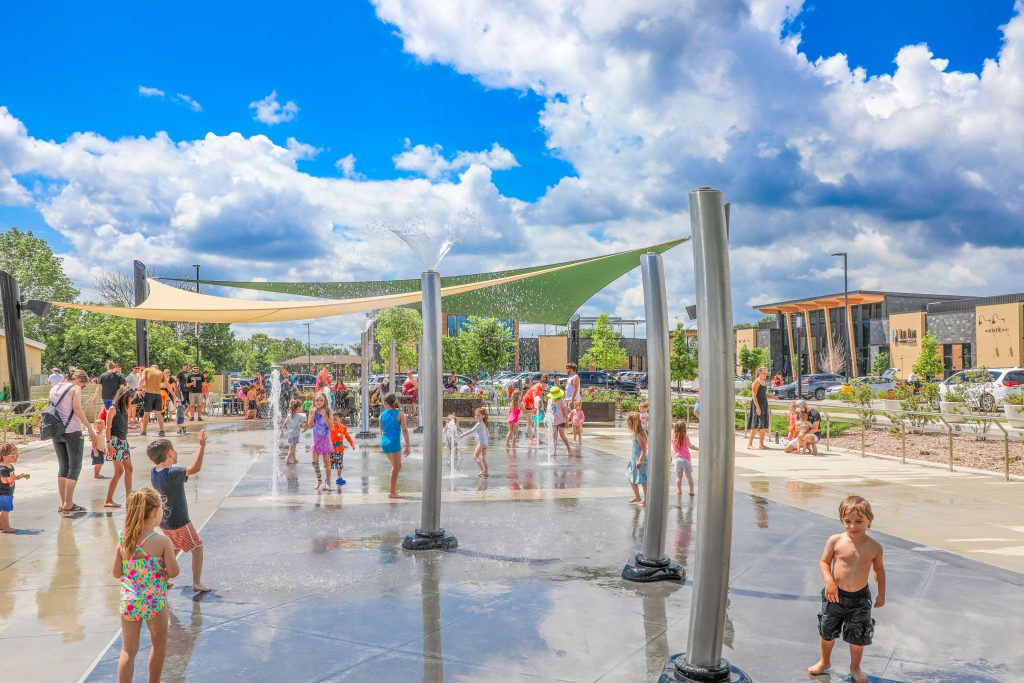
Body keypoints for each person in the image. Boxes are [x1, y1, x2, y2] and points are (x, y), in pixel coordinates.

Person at [808, 496, 886, 683]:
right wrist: (829, 581)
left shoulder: (874, 546)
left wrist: (882, 593)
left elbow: (878, 570)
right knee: (827, 632)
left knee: (858, 637)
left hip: (860, 599)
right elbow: (824, 563)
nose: (852, 526)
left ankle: (855, 667)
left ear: (869, 521)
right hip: (834, 595)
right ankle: (824, 661)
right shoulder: (836, 540)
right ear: (841, 520)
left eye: (858, 521)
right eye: (847, 521)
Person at [113, 487, 179, 683]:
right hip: (154, 602)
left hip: (130, 602)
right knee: (159, 644)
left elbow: (116, 573)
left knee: (128, 649)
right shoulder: (162, 541)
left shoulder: (124, 540)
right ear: (156, 512)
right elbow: (174, 572)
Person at [148, 431, 211, 592]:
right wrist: (202, 447)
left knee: (175, 546)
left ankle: (162, 578)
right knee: (197, 547)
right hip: (180, 520)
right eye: (174, 450)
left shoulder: (154, 472)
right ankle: (197, 583)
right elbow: (195, 468)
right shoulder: (173, 473)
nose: (176, 453)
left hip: (165, 521)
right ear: (170, 453)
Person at [50, 368, 100, 513]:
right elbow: (77, 409)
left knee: (63, 467)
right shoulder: (75, 388)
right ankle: (68, 503)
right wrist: (90, 428)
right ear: (78, 380)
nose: (83, 387)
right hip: (72, 430)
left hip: (56, 431)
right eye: (84, 385)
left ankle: (63, 502)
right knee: (75, 467)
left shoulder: (54, 388)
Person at [103, 386, 135, 508]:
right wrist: (108, 444)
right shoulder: (113, 408)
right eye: (130, 398)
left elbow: (121, 423)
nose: (131, 401)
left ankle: (129, 497)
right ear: (125, 397)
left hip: (123, 441)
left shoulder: (124, 409)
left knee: (129, 469)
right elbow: (108, 427)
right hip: (115, 441)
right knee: (119, 471)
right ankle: (108, 500)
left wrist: (131, 427)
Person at [380, 393, 411, 497]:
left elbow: (381, 431)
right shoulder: (400, 414)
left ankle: (393, 489)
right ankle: (391, 492)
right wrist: (408, 445)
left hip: (384, 442)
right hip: (394, 442)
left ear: (385, 403)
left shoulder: (382, 415)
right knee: (396, 467)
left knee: (397, 466)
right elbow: (405, 430)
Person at [306, 391, 332, 491]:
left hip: (325, 438)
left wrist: (324, 415)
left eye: (321, 400)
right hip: (316, 438)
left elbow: (330, 426)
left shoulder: (328, 410)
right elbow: (310, 425)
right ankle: (319, 479)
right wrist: (312, 415)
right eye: (317, 400)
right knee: (314, 460)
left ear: (325, 400)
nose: (319, 402)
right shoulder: (312, 410)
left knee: (326, 462)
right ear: (314, 401)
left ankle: (328, 481)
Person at [0, 443, 29, 533]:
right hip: (4, 493)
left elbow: (11, 478)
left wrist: (18, 477)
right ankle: (6, 527)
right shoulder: (3, 468)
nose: (16, 456)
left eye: (17, 454)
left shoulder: (10, 466)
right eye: (13, 455)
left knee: (4, 509)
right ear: (4, 457)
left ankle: (1, 525)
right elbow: (4, 480)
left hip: (8, 493)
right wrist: (13, 478)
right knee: (5, 510)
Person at [459, 406, 490, 477]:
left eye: (478, 415)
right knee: (483, 458)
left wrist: (463, 435)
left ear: (483, 416)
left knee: (475, 457)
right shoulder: (483, 423)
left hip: (482, 443)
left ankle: (482, 470)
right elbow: (487, 432)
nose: (476, 416)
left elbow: (472, 430)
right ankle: (486, 472)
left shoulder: (479, 424)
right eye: (476, 415)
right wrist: (486, 439)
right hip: (485, 443)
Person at [625, 411, 648, 505]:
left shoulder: (638, 434)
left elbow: (644, 448)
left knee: (644, 480)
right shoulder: (635, 433)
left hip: (640, 461)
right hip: (634, 460)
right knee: (630, 476)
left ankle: (647, 500)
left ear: (631, 423)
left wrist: (640, 460)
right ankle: (637, 496)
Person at [746, 365, 770, 450]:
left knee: (762, 425)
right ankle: (749, 444)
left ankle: (761, 444)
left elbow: (763, 393)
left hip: (764, 404)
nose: (765, 374)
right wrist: (757, 407)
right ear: (759, 372)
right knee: (755, 424)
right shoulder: (756, 382)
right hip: (758, 404)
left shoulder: (763, 381)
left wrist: (772, 397)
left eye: (766, 373)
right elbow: (754, 396)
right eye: (764, 373)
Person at [330, 411, 355, 487]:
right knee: (330, 466)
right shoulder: (330, 426)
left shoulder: (343, 428)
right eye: (333, 419)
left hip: (340, 450)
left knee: (340, 466)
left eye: (335, 419)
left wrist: (352, 443)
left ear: (341, 419)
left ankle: (339, 478)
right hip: (331, 450)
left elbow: (347, 436)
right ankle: (328, 478)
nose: (334, 420)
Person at [673, 419, 697, 496]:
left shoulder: (673, 437)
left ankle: (679, 490)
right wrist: (699, 449)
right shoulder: (685, 437)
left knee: (678, 477)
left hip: (678, 459)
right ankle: (691, 491)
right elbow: (690, 446)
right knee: (689, 476)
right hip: (686, 459)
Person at [141, 364, 165, 436]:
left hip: (149, 393)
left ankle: (144, 431)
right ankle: (162, 431)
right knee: (158, 413)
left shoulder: (147, 370)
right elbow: (166, 385)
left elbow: (142, 380)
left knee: (146, 413)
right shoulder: (160, 373)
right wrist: (173, 394)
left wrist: (139, 389)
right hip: (158, 394)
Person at [547, 386, 572, 454]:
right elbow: (549, 411)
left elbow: (565, 412)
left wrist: (567, 421)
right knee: (554, 436)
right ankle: (554, 450)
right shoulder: (550, 400)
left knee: (562, 435)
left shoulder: (561, 401)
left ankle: (568, 448)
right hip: (553, 421)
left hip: (561, 420)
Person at [283, 399, 304, 465]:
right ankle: (287, 459)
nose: (302, 408)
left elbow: (284, 423)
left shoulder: (289, 415)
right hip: (295, 435)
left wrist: (282, 431)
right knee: (292, 448)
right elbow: (303, 424)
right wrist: (305, 428)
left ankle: (294, 459)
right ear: (298, 408)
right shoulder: (299, 416)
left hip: (290, 434)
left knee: (291, 447)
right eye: (301, 407)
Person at [90, 415, 107, 479]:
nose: (100, 429)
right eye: (98, 427)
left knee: (101, 463)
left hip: (101, 450)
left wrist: (104, 450)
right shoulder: (95, 435)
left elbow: (103, 443)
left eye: (101, 427)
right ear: (94, 427)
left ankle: (98, 473)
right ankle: (96, 474)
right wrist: (95, 451)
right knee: (98, 464)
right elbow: (93, 443)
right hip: (97, 450)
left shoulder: (102, 434)